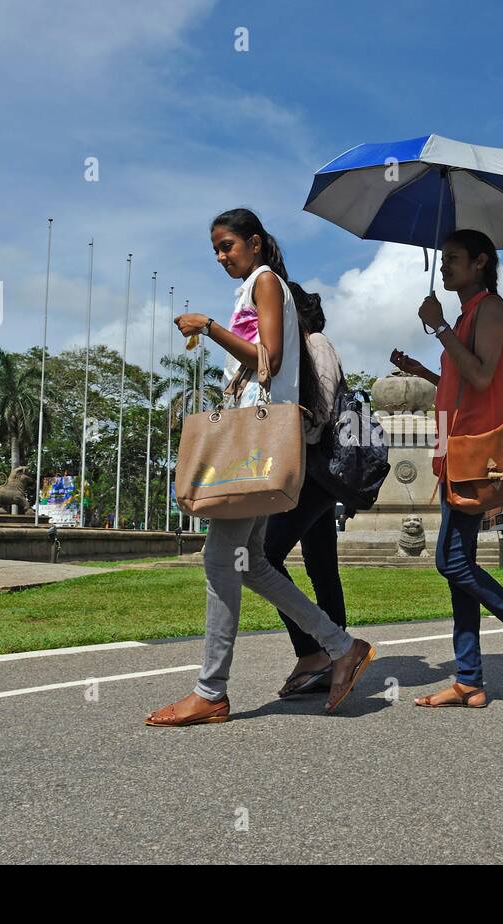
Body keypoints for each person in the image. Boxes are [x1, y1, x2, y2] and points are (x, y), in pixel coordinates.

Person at [146, 209, 374, 727]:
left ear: (254, 243)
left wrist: (208, 328)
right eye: (215, 250)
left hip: (255, 440)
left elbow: (266, 358)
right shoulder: (255, 284)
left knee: (218, 560)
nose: (221, 256)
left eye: (227, 246)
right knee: (250, 563)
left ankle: (210, 691)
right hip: (255, 436)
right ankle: (341, 646)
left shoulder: (266, 282)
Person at [390, 228, 503, 709]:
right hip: (457, 454)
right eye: (443, 259)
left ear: (480, 262)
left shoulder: (490, 308)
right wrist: (424, 372)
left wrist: (439, 326)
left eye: (453, 259)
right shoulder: (469, 313)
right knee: (457, 567)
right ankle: (469, 677)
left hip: (475, 456)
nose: (445, 266)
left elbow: (483, 374)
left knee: (449, 562)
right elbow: (461, 381)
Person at [262, 284, 349, 698]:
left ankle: (315, 650)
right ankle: (336, 656)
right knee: (320, 564)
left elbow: (323, 413)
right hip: (308, 470)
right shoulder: (298, 352)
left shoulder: (317, 344)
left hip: (315, 471)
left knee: (264, 555)